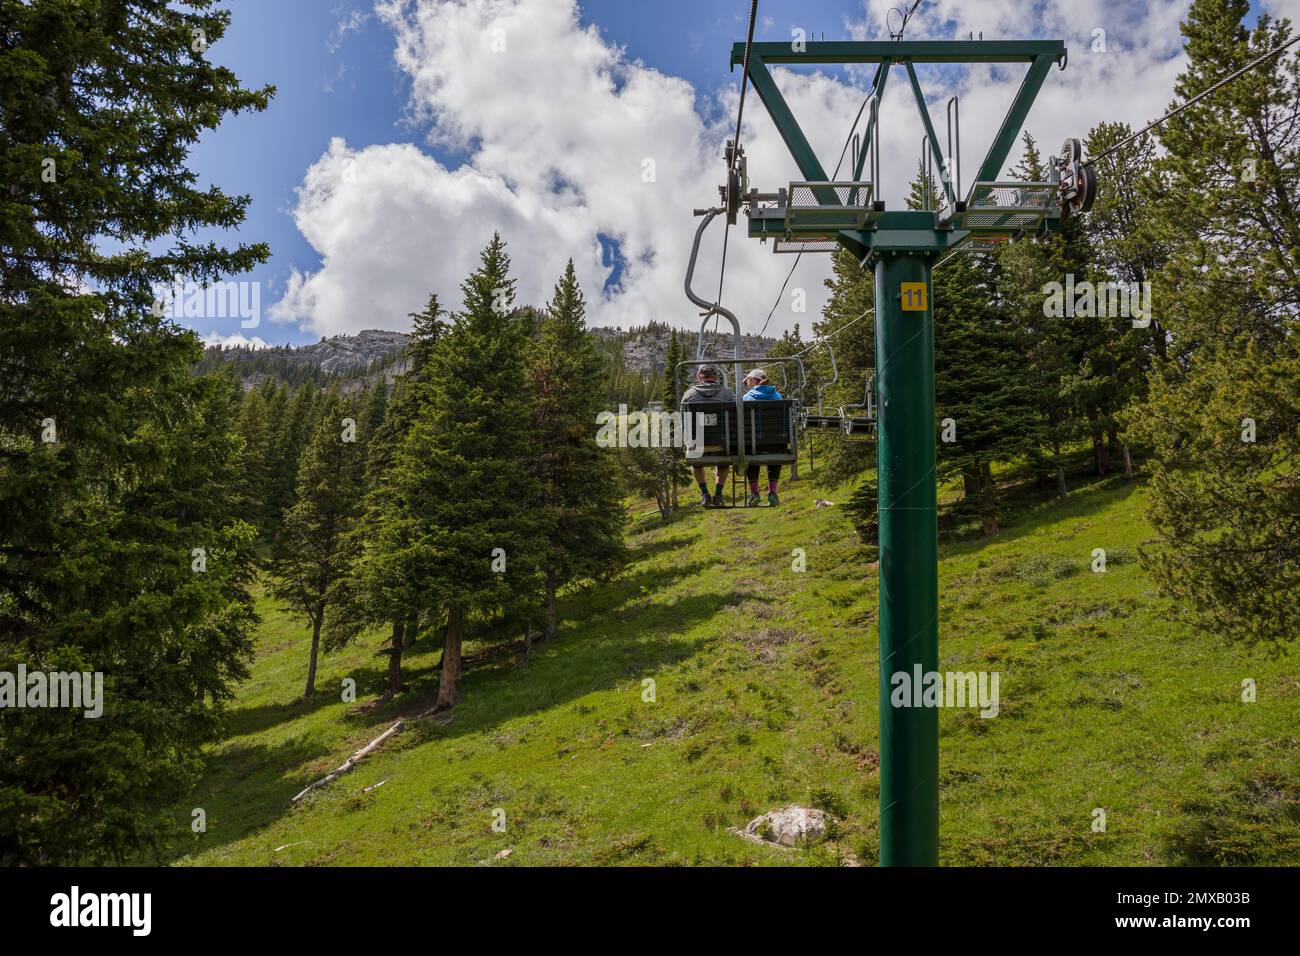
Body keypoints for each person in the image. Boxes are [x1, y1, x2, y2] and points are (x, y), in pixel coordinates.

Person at [680, 364, 734, 507]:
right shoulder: (727, 394)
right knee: (723, 463)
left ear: (699, 377)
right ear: (716, 377)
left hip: (697, 444)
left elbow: (683, 421)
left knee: (695, 463)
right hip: (722, 444)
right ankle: (719, 493)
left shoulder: (689, 395)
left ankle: (704, 493)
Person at [741, 368, 782, 507]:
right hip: (777, 442)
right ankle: (773, 493)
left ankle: (754, 493)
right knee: (775, 454)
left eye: (747, 380)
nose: (746, 383)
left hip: (754, 443)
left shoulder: (747, 398)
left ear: (753, 381)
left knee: (751, 455)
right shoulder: (777, 396)